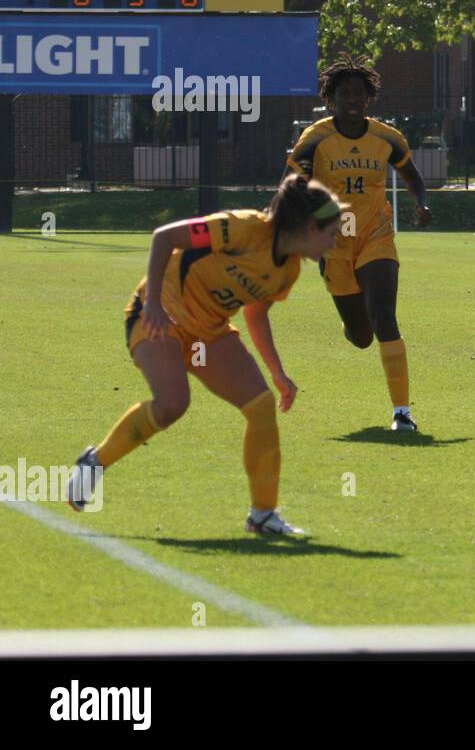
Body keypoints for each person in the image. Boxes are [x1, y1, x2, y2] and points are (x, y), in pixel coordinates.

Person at [66, 175, 346, 536]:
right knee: (172, 405)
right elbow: (164, 237)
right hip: (158, 317)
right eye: (331, 233)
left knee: (260, 404)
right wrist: (152, 303)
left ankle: (263, 515)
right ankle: (95, 463)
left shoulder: (287, 271)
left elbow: (255, 315)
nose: (335, 242)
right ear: (309, 227)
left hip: (205, 336)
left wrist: (278, 373)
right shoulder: (242, 229)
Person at [286, 56, 432, 433]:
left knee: (385, 315)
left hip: (375, 235)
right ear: (331, 98)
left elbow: (413, 177)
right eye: (344, 93)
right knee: (362, 337)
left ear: (369, 98)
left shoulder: (387, 137)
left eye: (358, 93)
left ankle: (402, 413)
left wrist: (420, 203)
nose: (352, 98)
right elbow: (292, 183)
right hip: (333, 244)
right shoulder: (316, 138)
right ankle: (353, 324)